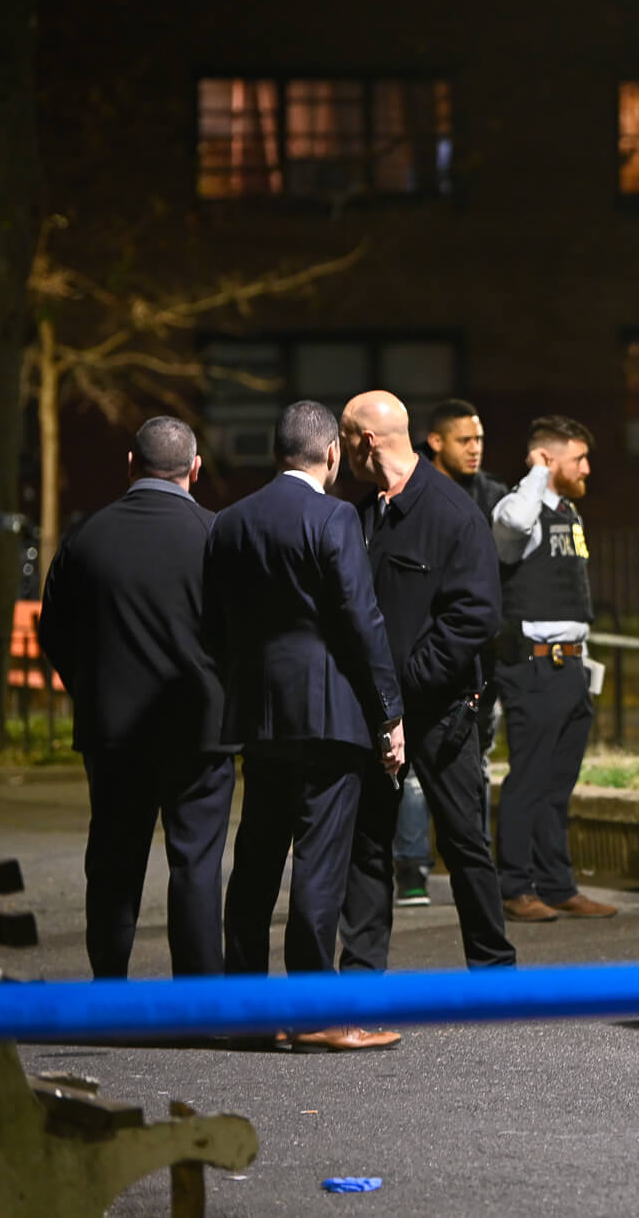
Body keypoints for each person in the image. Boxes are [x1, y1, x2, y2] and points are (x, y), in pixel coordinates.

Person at [206, 400, 404, 1052]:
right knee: (320, 860)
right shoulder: (334, 515)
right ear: (331, 454)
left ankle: (244, 1005)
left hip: (259, 713)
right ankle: (316, 1009)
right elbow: (360, 617)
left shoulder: (230, 521)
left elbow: (214, 621)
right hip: (329, 711)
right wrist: (389, 713)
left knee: (258, 854)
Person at [37, 416, 234, 979]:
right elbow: (240, 632)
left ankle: (109, 992)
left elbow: (54, 633)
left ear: (131, 464)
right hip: (199, 727)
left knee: (114, 861)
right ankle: (199, 999)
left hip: (113, 729)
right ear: (194, 469)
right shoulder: (215, 534)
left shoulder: (85, 536)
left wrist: (92, 688)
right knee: (196, 862)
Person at [336, 391, 516, 974]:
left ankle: (493, 970)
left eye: (344, 437)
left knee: (464, 842)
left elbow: (475, 617)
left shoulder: (451, 514)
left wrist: (406, 691)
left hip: (441, 714)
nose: (337, 451)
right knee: (368, 844)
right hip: (381, 712)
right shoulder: (363, 509)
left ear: (366, 442)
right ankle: (362, 974)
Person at [490, 415, 618, 922]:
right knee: (528, 779)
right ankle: (516, 887)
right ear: (548, 459)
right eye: (578, 458)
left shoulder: (569, 513)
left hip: (569, 668)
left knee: (558, 782)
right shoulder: (514, 508)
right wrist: (537, 473)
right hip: (532, 668)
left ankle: (558, 883)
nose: (587, 468)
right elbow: (517, 524)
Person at [392, 398, 510, 907]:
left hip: (474, 668)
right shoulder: (408, 495)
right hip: (423, 668)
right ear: (435, 441)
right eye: (466, 440)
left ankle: (487, 944)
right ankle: (413, 868)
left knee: (472, 775)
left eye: (480, 439)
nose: (476, 449)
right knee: (412, 779)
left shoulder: (489, 496)